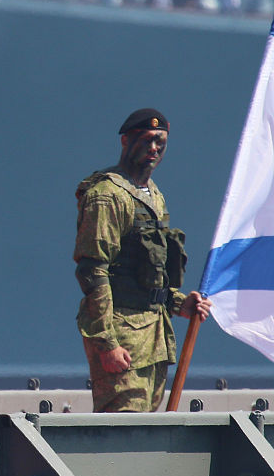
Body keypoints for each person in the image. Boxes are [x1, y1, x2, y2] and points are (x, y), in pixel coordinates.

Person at [73, 110, 211, 412]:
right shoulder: (108, 194)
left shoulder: (153, 196)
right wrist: (107, 343)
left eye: (160, 142)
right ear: (126, 141)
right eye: (147, 140)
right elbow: (93, 270)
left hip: (155, 336)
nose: (154, 149)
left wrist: (178, 304)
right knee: (124, 428)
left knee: (147, 428)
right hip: (123, 333)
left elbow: (148, 269)